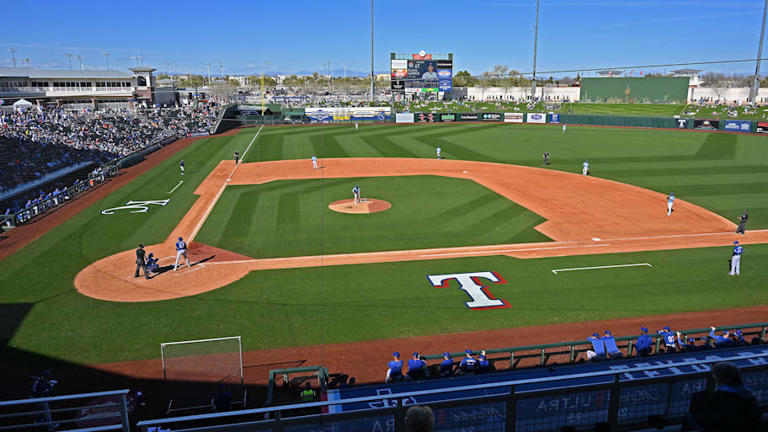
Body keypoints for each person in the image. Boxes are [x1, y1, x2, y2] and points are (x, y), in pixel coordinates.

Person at [683, 362, 760, 431]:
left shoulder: (720, 397)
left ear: (720, 378)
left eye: (715, 376)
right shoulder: (749, 394)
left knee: (689, 417)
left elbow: (709, 420)